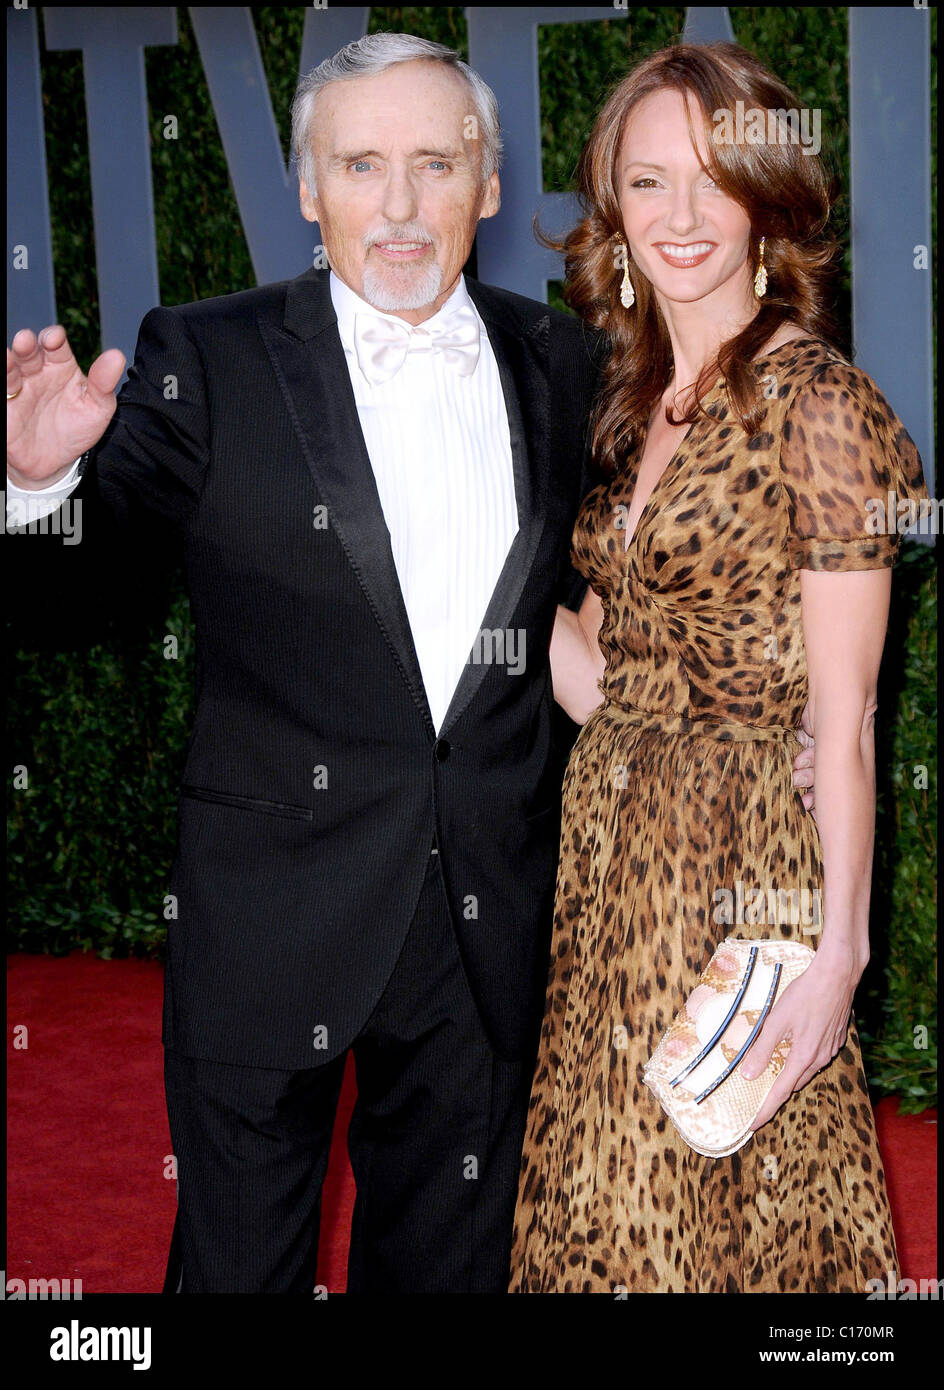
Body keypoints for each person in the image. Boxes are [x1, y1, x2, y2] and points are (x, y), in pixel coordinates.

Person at [7, 33, 815, 1295]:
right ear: (307, 187)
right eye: (361, 165)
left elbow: (628, 613)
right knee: (232, 1272)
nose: (397, 207)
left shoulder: (567, 368)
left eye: (433, 164)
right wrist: (38, 479)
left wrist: (782, 744)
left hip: (484, 924)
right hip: (271, 914)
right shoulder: (204, 357)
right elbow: (73, 597)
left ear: (487, 186)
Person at [508, 41, 928, 1294]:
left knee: (721, 1217)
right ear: (611, 210)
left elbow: (844, 722)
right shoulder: (629, 401)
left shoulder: (818, 406)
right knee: (595, 1200)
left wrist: (840, 957)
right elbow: (597, 667)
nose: (679, 217)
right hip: (608, 860)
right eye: (647, 184)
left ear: (766, 203)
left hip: (743, 873)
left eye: (712, 180)